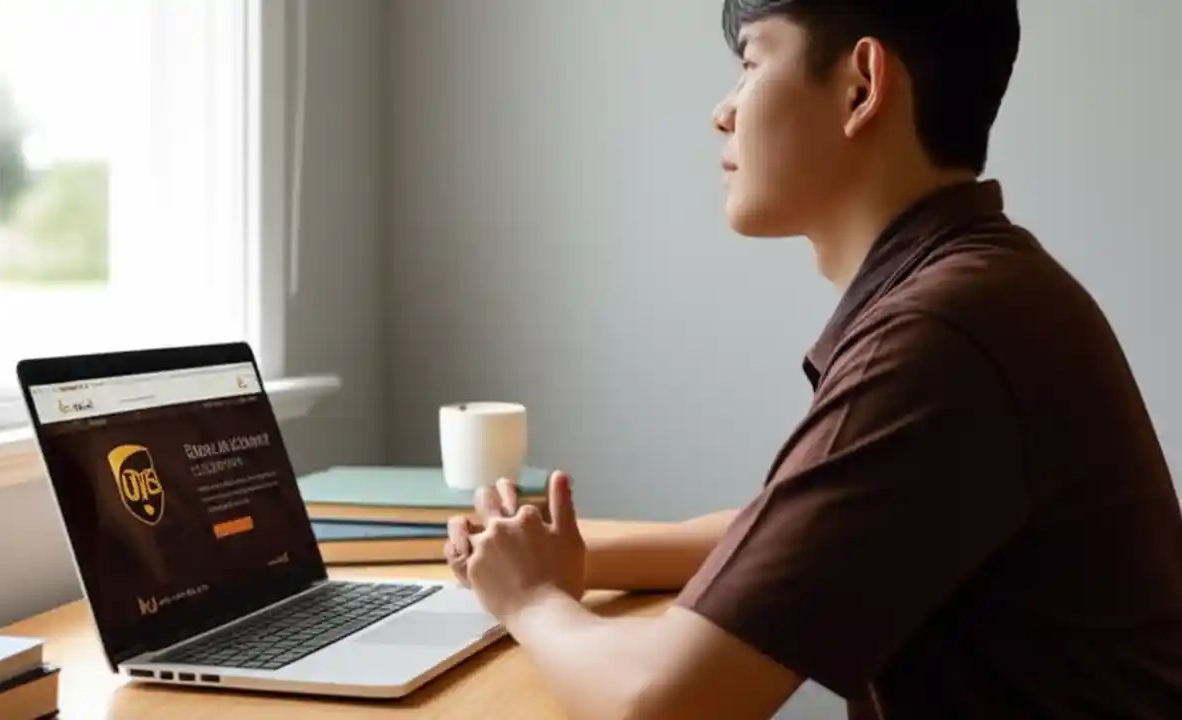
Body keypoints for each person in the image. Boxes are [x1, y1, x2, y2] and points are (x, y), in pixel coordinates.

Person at [444, 1, 1182, 717]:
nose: (722, 112)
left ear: (861, 86)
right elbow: (792, 533)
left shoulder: (943, 331)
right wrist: (571, 561)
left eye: (749, 63)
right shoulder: (978, 289)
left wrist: (531, 600)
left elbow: (659, 705)